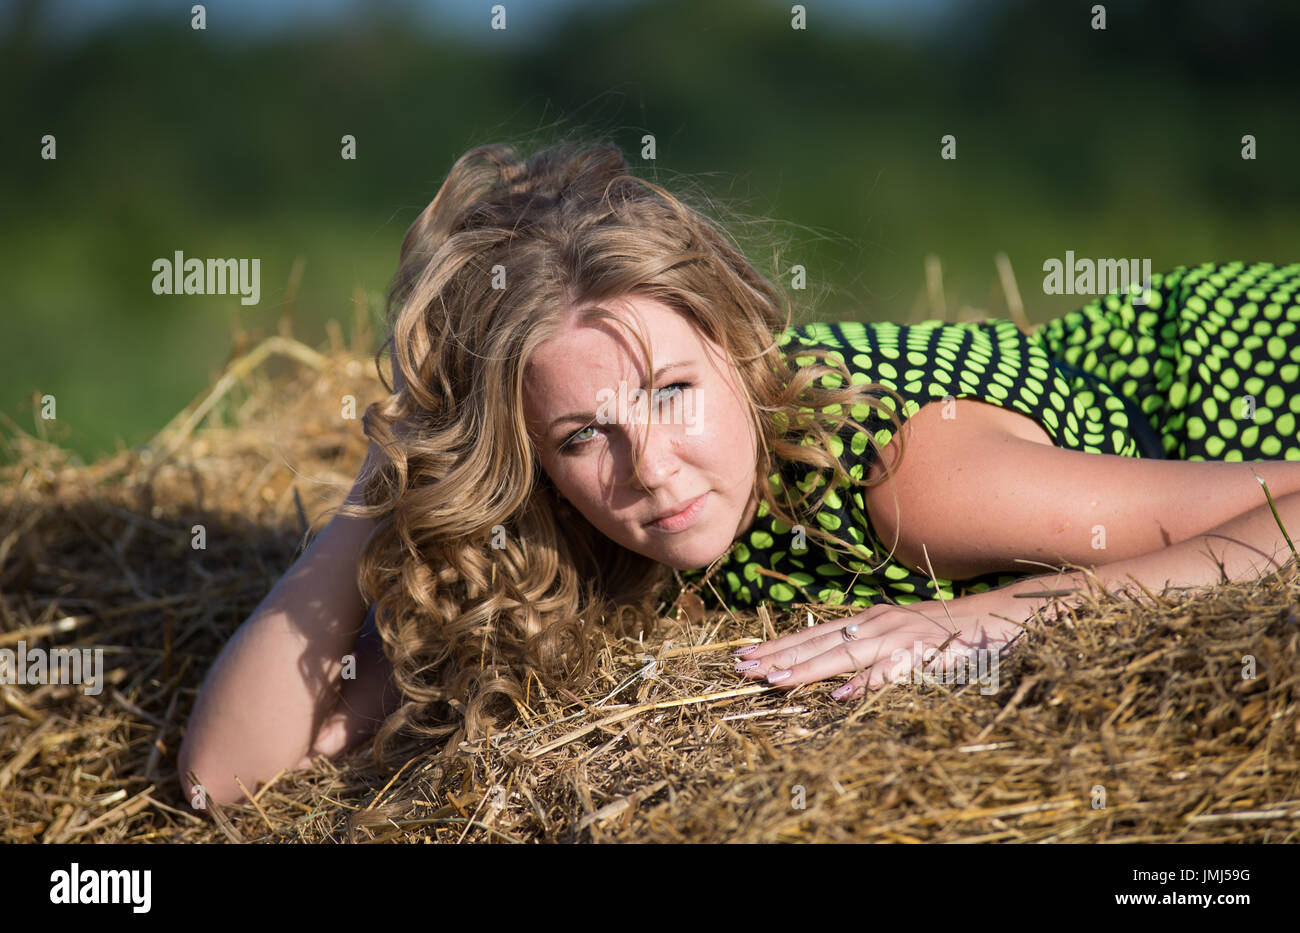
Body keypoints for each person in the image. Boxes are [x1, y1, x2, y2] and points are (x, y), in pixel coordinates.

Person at [177, 140, 1300, 806]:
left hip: (1247, 375)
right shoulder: (559, 539)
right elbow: (224, 777)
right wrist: (396, 463)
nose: (652, 471)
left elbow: (1286, 509)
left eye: (673, 394)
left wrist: (995, 617)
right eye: (583, 437)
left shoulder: (905, 481)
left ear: (737, 345)